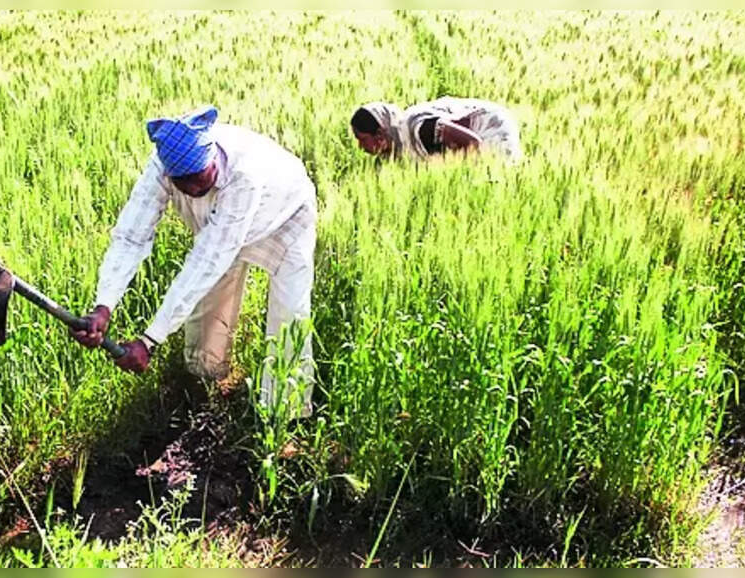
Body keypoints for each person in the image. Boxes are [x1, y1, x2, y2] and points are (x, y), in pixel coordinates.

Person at [71, 105, 317, 418]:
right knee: (209, 302)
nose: (195, 190)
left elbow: (206, 261)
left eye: (203, 179)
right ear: (169, 175)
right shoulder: (160, 170)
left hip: (286, 215)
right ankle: (204, 381)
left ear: (212, 159)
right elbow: (131, 237)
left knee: (290, 313)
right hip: (219, 229)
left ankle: (286, 412)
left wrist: (148, 341)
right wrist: (102, 306)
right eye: (184, 184)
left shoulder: (244, 176)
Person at [350, 97, 523, 162]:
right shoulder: (394, 149)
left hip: (491, 128)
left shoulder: (420, 129)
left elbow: (474, 143)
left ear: (380, 134)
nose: (360, 146)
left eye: (363, 139)